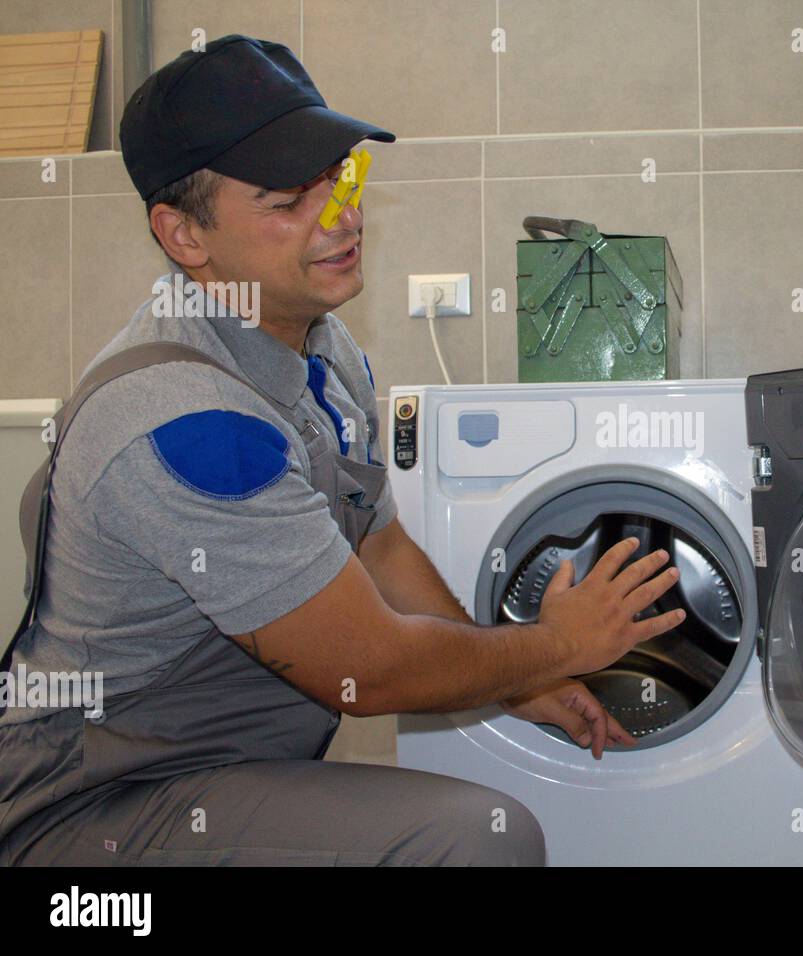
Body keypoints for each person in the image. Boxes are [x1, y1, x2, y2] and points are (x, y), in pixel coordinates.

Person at [0, 35, 682, 867]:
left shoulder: (323, 351)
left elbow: (379, 543)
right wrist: (558, 646)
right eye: (290, 199)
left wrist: (520, 682)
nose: (342, 215)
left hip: (219, 772)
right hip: (89, 810)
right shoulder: (186, 421)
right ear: (184, 235)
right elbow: (373, 673)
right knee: (470, 843)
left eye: (343, 178)